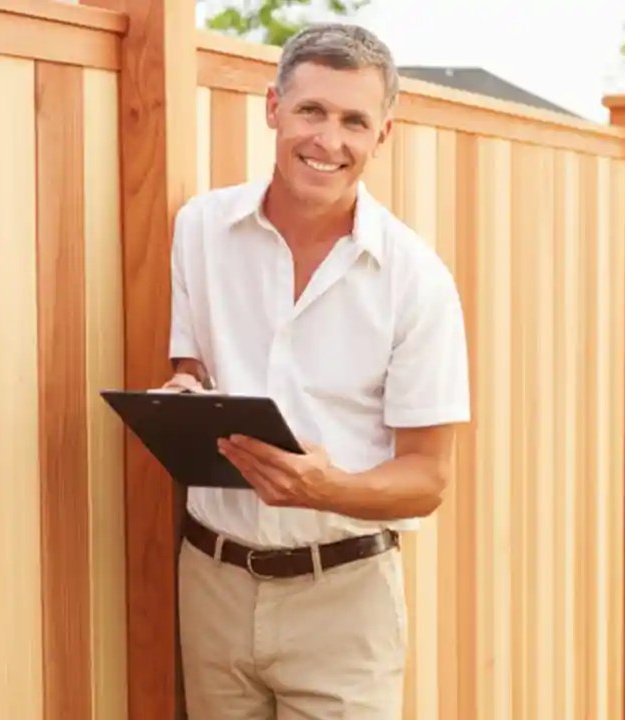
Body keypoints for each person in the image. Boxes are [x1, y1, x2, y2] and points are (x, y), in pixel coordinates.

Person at [159, 21, 470, 719]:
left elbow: (428, 479)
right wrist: (180, 394)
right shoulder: (200, 231)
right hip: (211, 585)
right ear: (273, 107)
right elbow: (193, 366)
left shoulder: (415, 279)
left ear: (381, 135)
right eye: (311, 111)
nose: (328, 141)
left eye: (353, 121)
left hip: (343, 600)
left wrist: (333, 487)